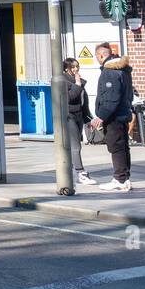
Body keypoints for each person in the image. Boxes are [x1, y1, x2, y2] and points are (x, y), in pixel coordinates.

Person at [89, 42, 133, 192]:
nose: (97, 59)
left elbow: (111, 97)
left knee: (116, 148)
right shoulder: (123, 70)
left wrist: (101, 116)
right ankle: (125, 178)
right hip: (123, 114)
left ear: (101, 55)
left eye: (96, 56)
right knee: (123, 147)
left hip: (114, 117)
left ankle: (119, 179)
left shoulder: (109, 72)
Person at [61, 57, 96, 192]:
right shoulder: (63, 81)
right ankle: (81, 172)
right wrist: (77, 84)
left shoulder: (79, 81)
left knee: (73, 146)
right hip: (68, 116)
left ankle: (70, 171)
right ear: (66, 68)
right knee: (76, 146)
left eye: (77, 67)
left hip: (79, 115)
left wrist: (88, 119)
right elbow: (69, 98)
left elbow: (83, 101)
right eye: (73, 67)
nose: (76, 69)